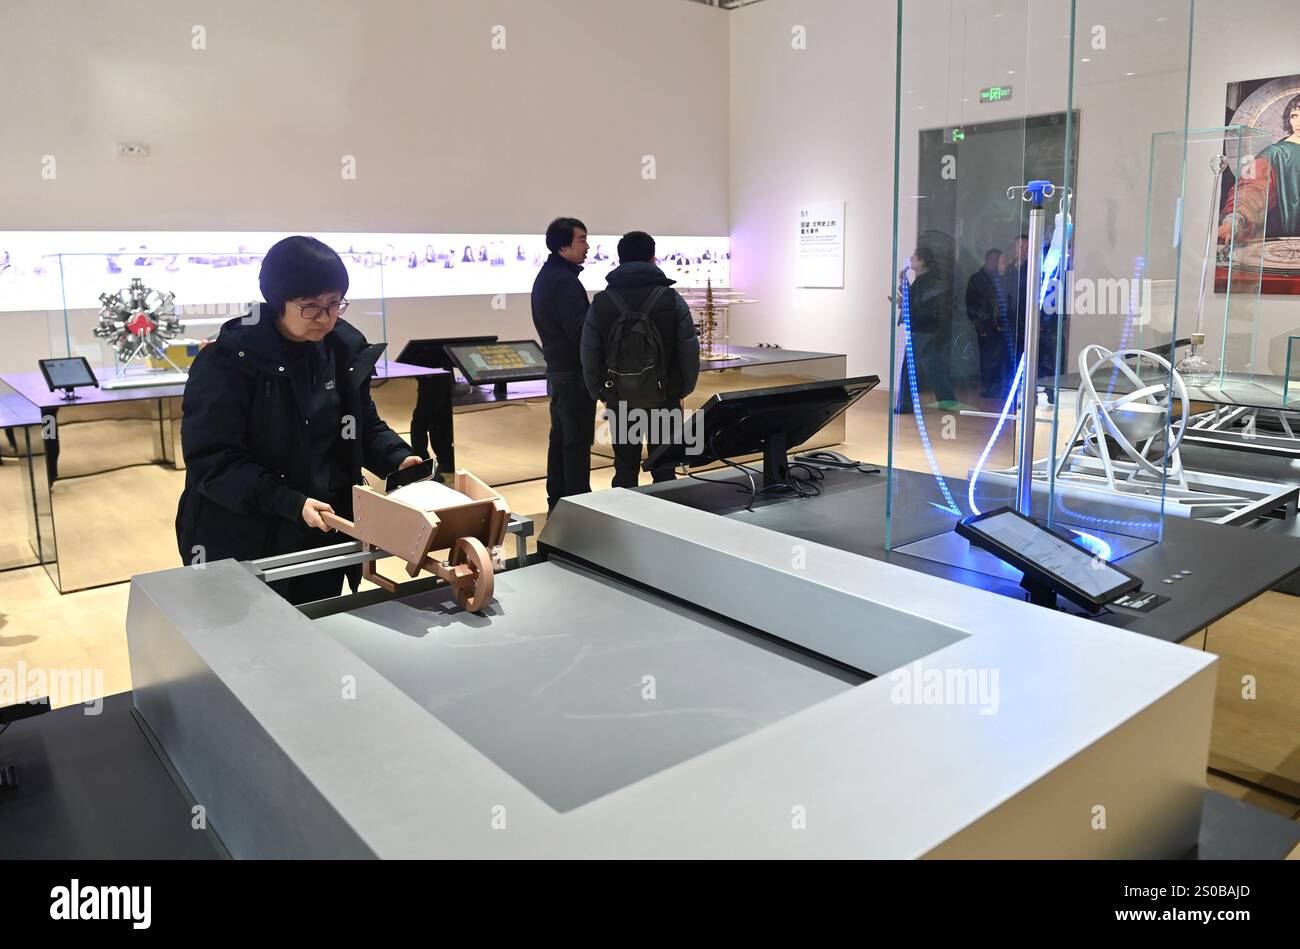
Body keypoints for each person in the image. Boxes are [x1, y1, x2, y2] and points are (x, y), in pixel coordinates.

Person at [175, 236, 422, 604]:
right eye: (310, 307)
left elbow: (360, 426)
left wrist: (396, 457)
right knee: (253, 647)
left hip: (324, 529)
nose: (325, 317)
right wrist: (290, 502)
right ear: (277, 300)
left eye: (335, 304)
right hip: (246, 536)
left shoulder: (343, 349)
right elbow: (214, 462)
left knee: (319, 632)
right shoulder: (228, 361)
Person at [581, 230, 699, 489]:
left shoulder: (602, 302)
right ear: (652, 259)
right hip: (665, 394)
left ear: (620, 260)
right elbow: (688, 347)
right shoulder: (670, 298)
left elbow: (589, 351)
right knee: (665, 467)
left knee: (624, 467)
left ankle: (626, 522)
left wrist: (597, 390)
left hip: (619, 397)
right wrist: (684, 387)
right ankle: (666, 522)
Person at [531, 217, 595, 512]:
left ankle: (558, 502)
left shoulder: (549, 276)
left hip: (559, 370)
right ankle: (580, 505)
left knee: (561, 439)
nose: (587, 246)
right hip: (573, 372)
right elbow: (580, 331)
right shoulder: (565, 281)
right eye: (581, 239)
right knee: (576, 442)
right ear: (563, 245)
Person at [1219, 93, 1300, 242]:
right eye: (1294, 116)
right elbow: (1253, 189)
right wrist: (1235, 220)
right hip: (1289, 240)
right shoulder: (1276, 153)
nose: (1298, 122)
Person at [896, 245, 955, 412]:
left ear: (921, 261)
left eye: (914, 258)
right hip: (929, 328)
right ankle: (948, 400)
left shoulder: (925, 280)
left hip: (922, 328)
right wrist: (904, 282)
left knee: (909, 367)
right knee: (934, 366)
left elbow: (916, 303)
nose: (911, 260)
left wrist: (903, 287)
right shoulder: (929, 279)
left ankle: (906, 405)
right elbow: (916, 301)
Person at [964, 248, 1008, 398]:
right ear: (987, 259)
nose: (995, 262)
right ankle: (989, 386)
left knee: (996, 356)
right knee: (987, 355)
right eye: (994, 259)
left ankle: (994, 385)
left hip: (997, 324)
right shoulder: (978, 279)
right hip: (985, 324)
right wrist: (977, 322)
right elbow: (971, 302)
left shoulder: (998, 278)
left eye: (998, 259)